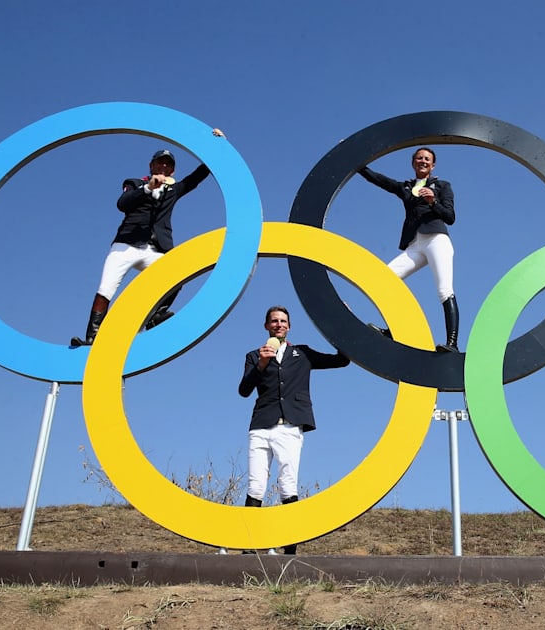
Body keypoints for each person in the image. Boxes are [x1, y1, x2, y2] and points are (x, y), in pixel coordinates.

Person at [70, 128, 225, 347]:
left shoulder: (174, 190)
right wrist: (146, 189)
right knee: (106, 288)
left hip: (156, 249)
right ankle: (93, 337)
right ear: (151, 166)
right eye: (160, 163)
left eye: (168, 164)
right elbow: (122, 204)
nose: (163, 167)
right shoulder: (134, 183)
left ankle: (154, 316)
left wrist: (216, 146)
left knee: (178, 273)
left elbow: (197, 177)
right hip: (127, 245)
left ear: (172, 170)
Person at [238, 306, 350, 554]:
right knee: (256, 484)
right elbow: (244, 390)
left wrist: (342, 325)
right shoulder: (254, 356)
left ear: (289, 326)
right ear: (266, 326)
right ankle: (248, 546)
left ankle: (290, 548)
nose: (279, 324)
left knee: (288, 485)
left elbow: (342, 360)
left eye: (283, 321)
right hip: (260, 425)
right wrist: (262, 363)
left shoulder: (303, 353)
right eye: (274, 321)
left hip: (289, 426)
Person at [357, 147, 460, 352]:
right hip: (415, 243)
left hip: (437, 240)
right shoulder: (405, 187)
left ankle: (452, 343)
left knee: (444, 290)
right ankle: (395, 329)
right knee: (385, 278)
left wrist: (433, 201)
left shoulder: (442, 185)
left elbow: (450, 217)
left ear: (433, 165)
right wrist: (358, 167)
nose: (423, 161)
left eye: (427, 159)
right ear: (413, 163)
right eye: (419, 158)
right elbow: (380, 180)